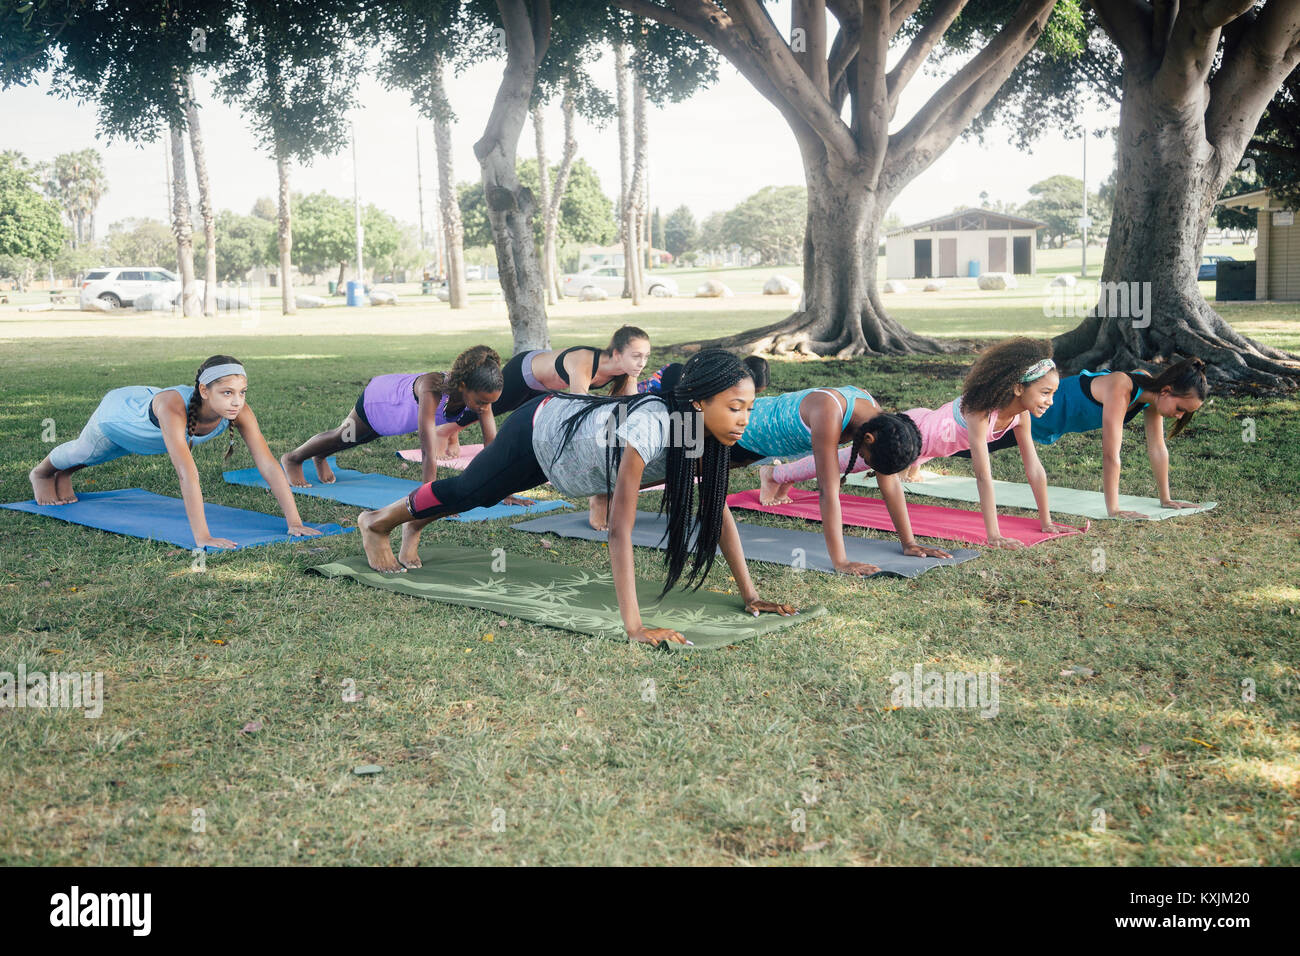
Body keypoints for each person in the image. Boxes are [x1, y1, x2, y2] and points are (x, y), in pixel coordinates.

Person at [354, 349, 797, 646]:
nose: (743, 419)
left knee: (477, 496)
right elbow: (619, 530)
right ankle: (377, 523)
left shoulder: (697, 433)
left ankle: (415, 522)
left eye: (749, 408)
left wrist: (751, 594)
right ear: (700, 403)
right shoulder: (652, 427)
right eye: (735, 407)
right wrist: (635, 626)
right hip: (540, 429)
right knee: (471, 491)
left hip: (564, 450)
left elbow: (716, 511)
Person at [768, 339, 1071, 549]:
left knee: (885, 459)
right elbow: (983, 476)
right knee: (849, 461)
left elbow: (1034, 468)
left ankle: (783, 476)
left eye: (1053, 393)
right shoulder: (981, 413)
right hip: (913, 435)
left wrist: (1046, 521)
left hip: (929, 440)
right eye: (1045, 392)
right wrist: (993, 535)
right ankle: (776, 476)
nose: (1050, 401)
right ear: (1019, 388)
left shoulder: (1020, 416)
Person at [28, 355, 321, 549]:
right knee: (87, 450)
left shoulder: (239, 411)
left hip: (147, 426)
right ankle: (42, 473)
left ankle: (63, 474)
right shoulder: (173, 406)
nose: (236, 401)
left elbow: (268, 465)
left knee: (101, 456)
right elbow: (186, 473)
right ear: (205, 391)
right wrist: (203, 536)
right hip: (119, 416)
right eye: (227, 392)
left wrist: (294, 523)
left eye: (242, 392)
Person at [731, 384, 952, 573]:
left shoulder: (879, 423)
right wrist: (841, 562)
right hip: (738, 430)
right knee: (697, 466)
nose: (866, 463)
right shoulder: (829, 412)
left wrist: (909, 543)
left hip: (754, 445)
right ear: (868, 439)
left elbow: (891, 483)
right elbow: (828, 493)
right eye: (870, 462)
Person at [949, 359, 1208, 518]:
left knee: (966, 441)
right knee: (964, 442)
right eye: (1180, 409)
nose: (1178, 416)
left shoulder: (1149, 397)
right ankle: (917, 450)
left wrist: (1166, 498)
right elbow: (1110, 455)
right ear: (1166, 391)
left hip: (1047, 421)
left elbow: (1158, 448)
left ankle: (920, 449)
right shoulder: (1123, 387)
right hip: (1037, 411)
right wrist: (1114, 508)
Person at [280, 346, 503, 486]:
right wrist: (429, 498)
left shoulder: (480, 398)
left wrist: (501, 490)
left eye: (490, 402)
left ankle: (320, 456)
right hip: (381, 400)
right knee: (344, 436)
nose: (486, 408)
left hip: (396, 418)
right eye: (482, 401)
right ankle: (293, 458)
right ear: (463, 386)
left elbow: (493, 448)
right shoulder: (432, 387)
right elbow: (427, 450)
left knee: (357, 439)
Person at [491, 325, 651, 416]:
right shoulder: (585, 362)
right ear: (617, 354)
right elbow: (578, 406)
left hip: (545, 388)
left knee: (530, 419)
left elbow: (630, 406)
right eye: (636, 356)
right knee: (486, 409)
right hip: (524, 372)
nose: (642, 363)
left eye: (646, 357)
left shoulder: (628, 370)